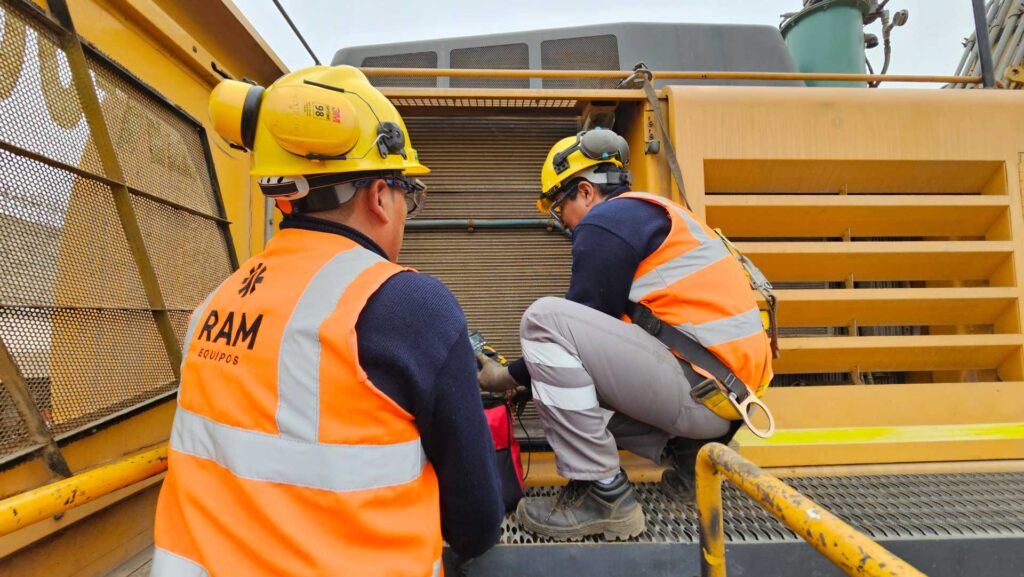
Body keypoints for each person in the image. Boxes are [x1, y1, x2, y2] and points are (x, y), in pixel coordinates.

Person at [153, 66, 503, 576]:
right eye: (408, 194)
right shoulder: (412, 306)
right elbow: (476, 525)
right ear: (380, 195)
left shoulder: (212, 305)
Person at [477, 128, 772, 541]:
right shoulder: (655, 213)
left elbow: (578, 319)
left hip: (699, 395)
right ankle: (689, 457)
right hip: (726, 404)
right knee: (566, 389)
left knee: (543, 320)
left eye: (560, 208)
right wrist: (536, 378)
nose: (563, 223)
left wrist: (505, 376)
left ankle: (603, 494)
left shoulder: (606, 221)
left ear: (585, 192)